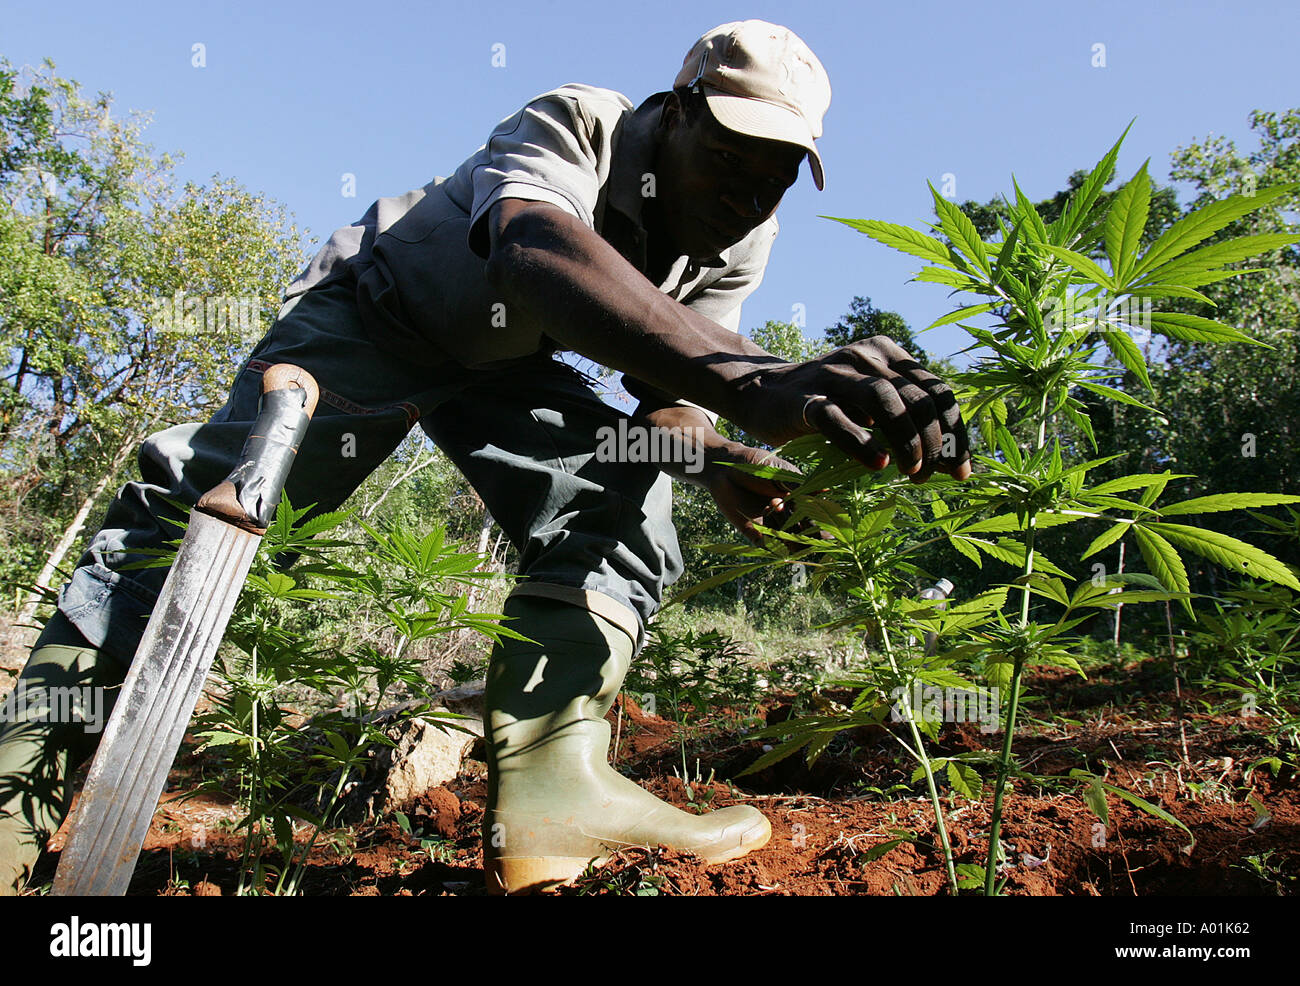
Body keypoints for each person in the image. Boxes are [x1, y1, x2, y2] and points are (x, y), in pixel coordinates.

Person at [0, 19, 970, 895]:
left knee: (629, 499)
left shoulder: (738, 238)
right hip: (377, 310)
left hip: (508, 368)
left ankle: (554, 795)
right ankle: (15, 796)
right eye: (730, 154)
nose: (747, 192)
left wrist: (720, 454)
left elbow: (670, 399)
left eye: (775, 173)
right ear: (673, 115)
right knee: (201, 506)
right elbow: (531, 250)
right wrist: (758, 381)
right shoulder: (585, 122)